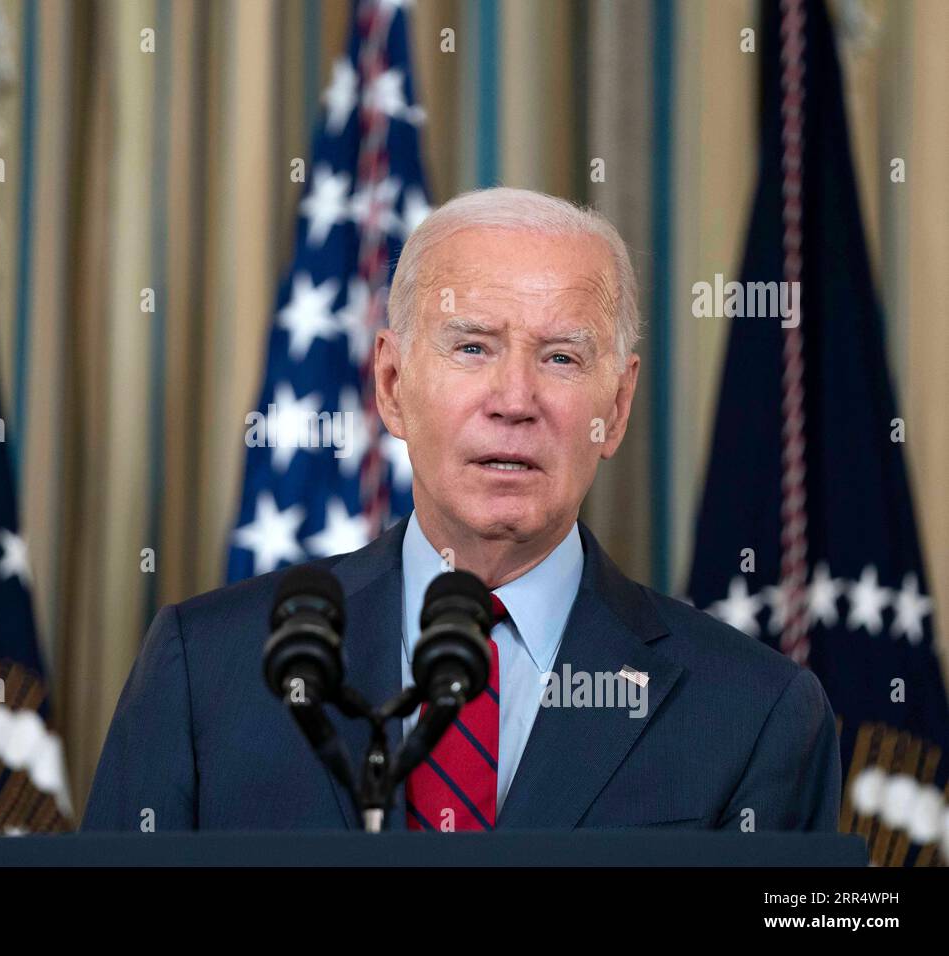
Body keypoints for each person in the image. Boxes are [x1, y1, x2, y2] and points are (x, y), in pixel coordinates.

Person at [82, 187, 840, 833]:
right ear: (390, 384)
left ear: (618, 402)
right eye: (473, 347)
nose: (515, 401)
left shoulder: (755, 714)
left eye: (561, 358)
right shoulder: (207, 668)